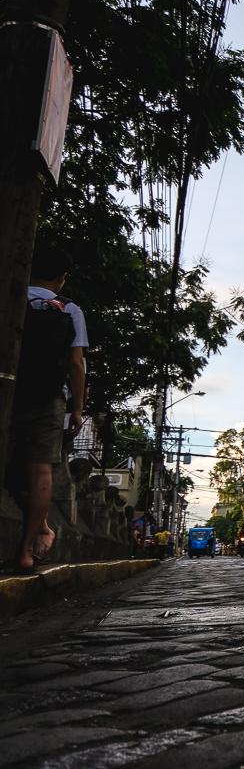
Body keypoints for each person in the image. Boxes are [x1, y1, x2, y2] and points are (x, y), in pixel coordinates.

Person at [7, 244, 88, 573]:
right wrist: (78, 409)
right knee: (42, 471)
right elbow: (77, 363)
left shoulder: (12, 295)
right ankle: (27, 550)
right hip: (48, 398)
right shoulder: (69, 309)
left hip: (9, 390)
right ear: (62, 278)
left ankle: (39, 528)